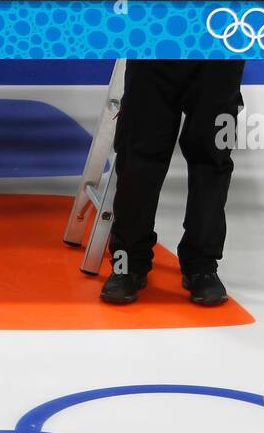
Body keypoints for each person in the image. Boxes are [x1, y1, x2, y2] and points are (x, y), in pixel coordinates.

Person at [99, 59, 245, 307]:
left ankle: (203, 265)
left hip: (220, 41)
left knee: (213, 156)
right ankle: (126, 263)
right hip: (154, 36)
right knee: (138, 154)